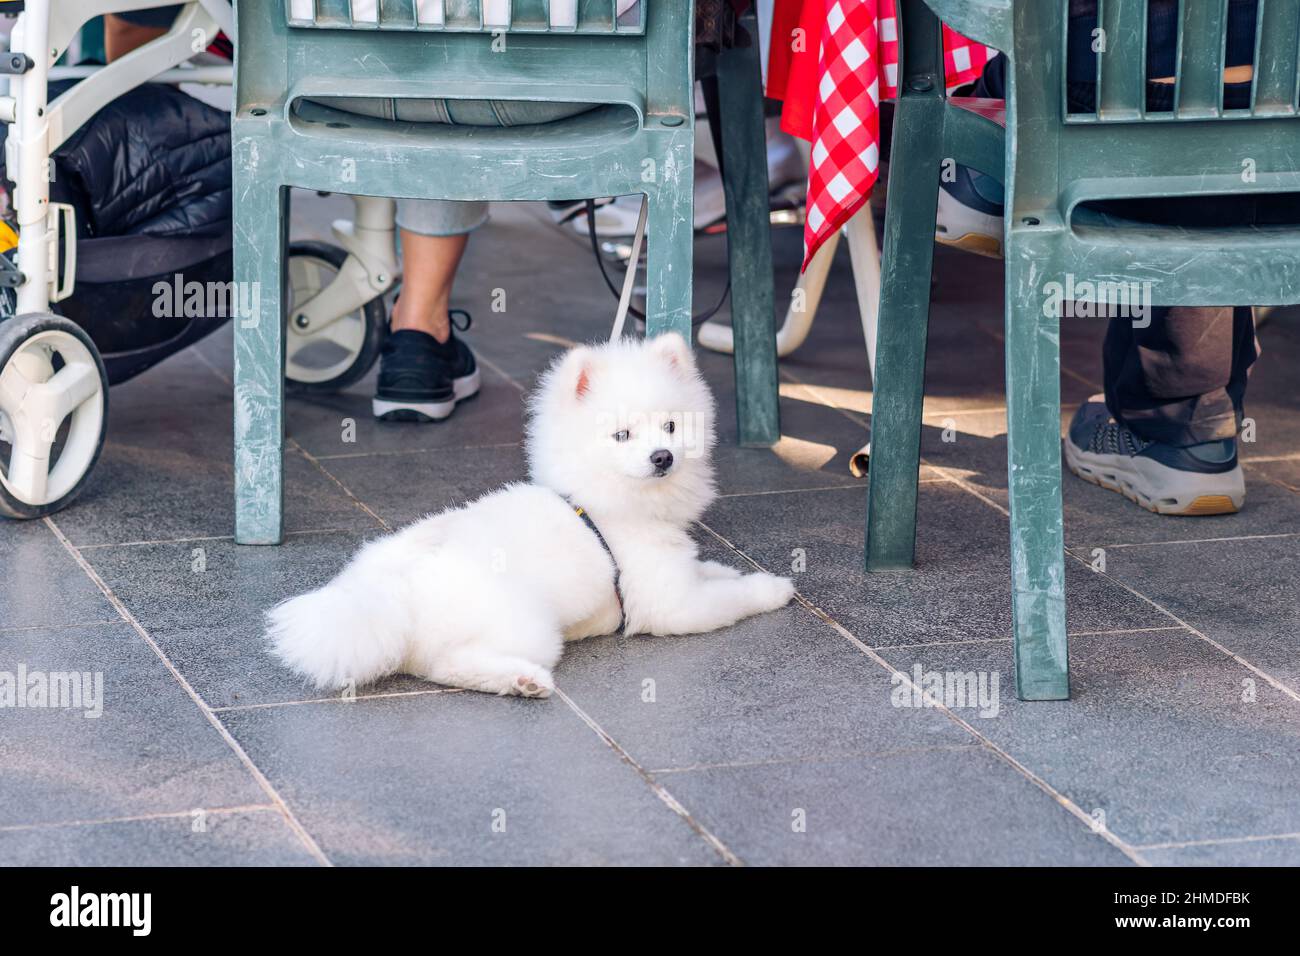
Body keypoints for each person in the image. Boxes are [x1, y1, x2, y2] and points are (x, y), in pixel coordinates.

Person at [938, 0, 1274, 516]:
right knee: (1217, 175)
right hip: (1280, 141)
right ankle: (1187, 424)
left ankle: (988, 170)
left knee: (1098, 69)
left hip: (1112, 100)